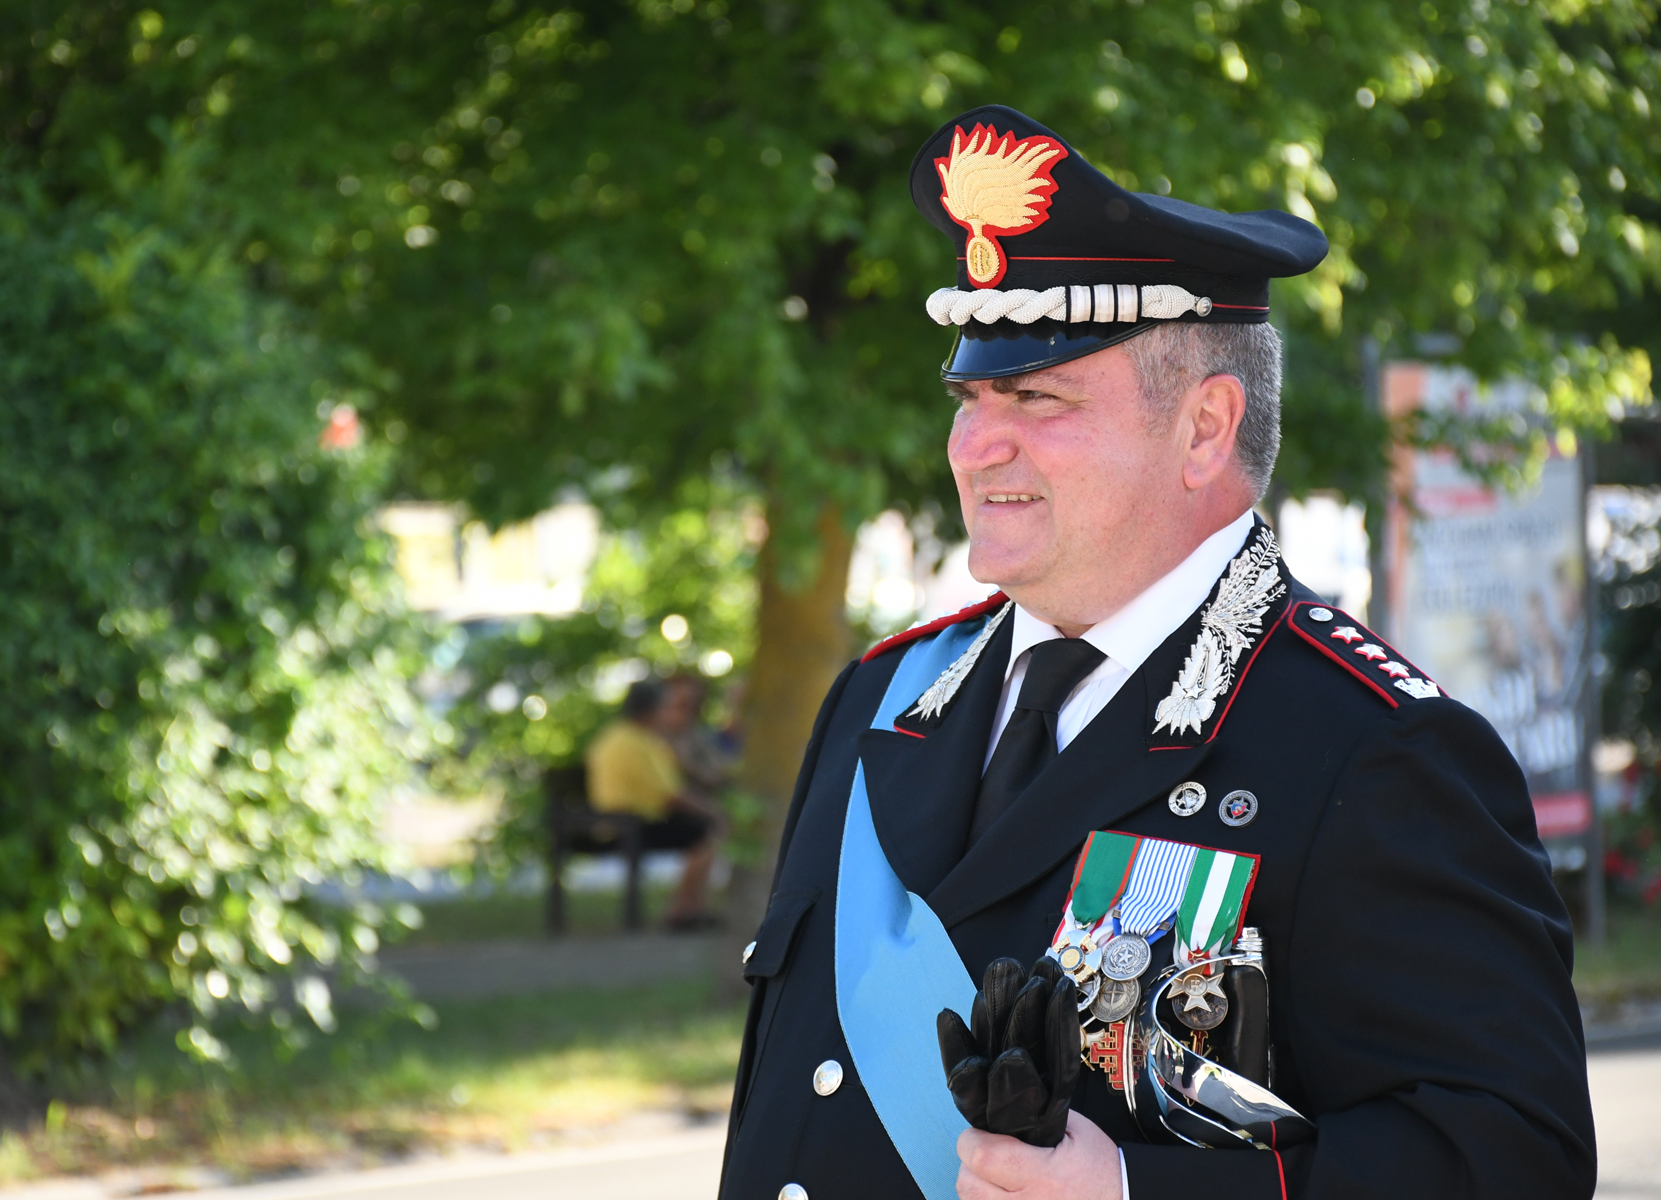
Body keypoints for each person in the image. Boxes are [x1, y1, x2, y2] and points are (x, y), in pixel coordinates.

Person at [717, 105, 1593, 1200]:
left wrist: (1137, 1195)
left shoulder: (1370, 745)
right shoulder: (880, 698)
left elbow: (1508, 1159)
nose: (978, 444)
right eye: (971, 397)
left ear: (1205, 429)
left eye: (1036, 397)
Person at [584, 679, 722, 930]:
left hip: (617, 821)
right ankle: (683, 911)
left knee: (699, 828)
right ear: (651, 710)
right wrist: (714, 812)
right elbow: (670, 795)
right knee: (704, 831)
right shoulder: (637, 742)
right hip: (628, 824)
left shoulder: (617, 736)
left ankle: (686, 909)